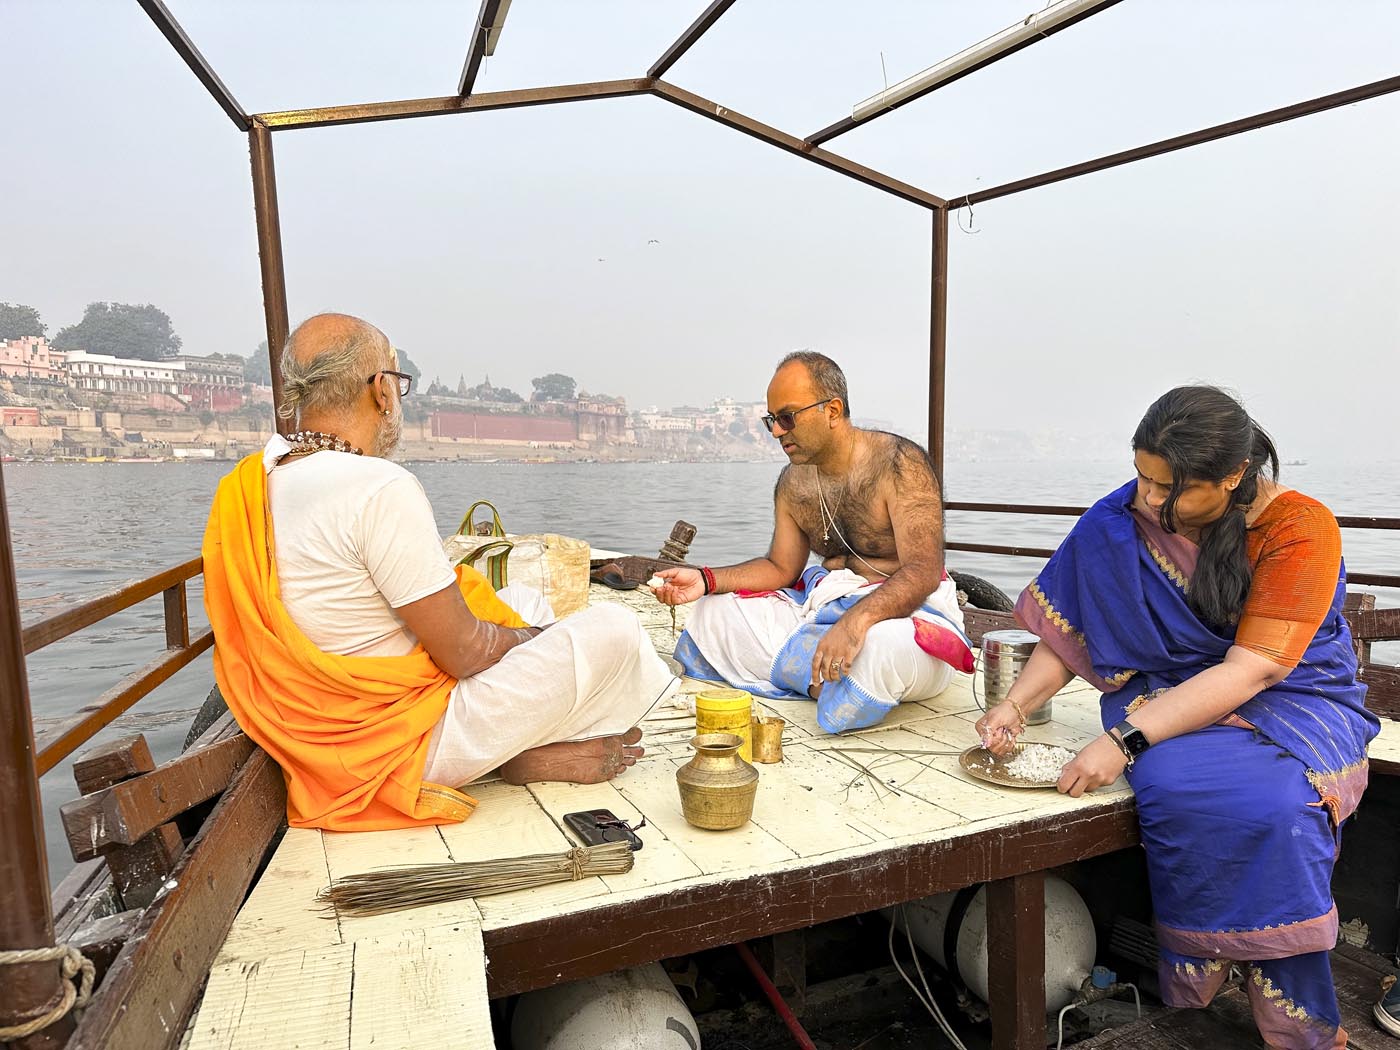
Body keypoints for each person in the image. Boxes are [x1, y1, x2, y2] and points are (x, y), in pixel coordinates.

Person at [976, 386, 1378, 1050]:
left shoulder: (1299, 527)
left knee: (1279, 808)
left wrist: (1121, 739)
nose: (1148, 501)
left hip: (1296, 697)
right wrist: (1014, 704)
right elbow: (1071, 629)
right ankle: (1195, 997)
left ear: (1231, 477)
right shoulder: (1120, 520)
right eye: (1142, 477)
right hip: (1173, 698)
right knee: (1177, 784)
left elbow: (1255, 669)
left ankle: (1296, 1024)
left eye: (1170, 489)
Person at [202, 313, 675, 832]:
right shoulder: (379, 486)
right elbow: (465, 651)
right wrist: (538, 640)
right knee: (614, 628)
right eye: (398, 384)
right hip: (398, 740)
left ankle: (515, 746)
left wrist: (524, 634)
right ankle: (514, 756)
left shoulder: (258, 483)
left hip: (318, 731)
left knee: (522, 597)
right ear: (382, 391)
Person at [654, 351, 972, 733]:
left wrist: (855, 623)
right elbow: (780, 568)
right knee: (712, 614)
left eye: (787, 418)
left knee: (881, 648)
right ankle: (829, 675)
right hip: (824, 607)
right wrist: (705, 580)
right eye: (771, 420)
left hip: (907, 614)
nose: (776, 432)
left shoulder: (899, 464)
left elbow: (922, 572)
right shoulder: (793, 483)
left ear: (833, 411)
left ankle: (824, 669)